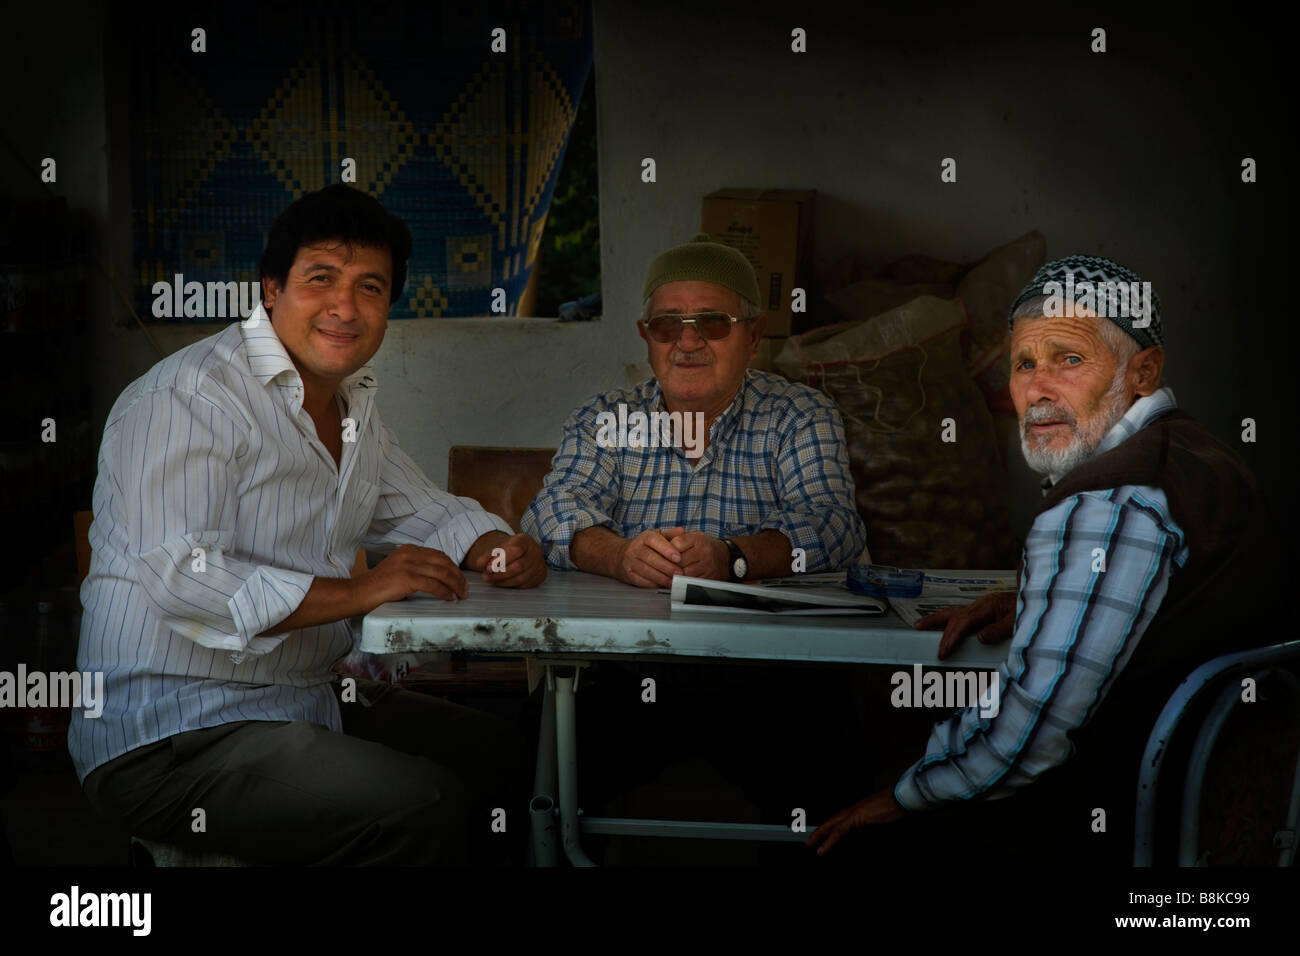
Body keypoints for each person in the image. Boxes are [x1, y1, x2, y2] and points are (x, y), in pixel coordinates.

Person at [70, 184, 547, 865]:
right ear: (271, 289)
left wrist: (495, 545)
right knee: (423, 805)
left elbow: (413, 507)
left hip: (303, 697)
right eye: (320, 278)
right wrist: (360, 591)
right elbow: (186, 578)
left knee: (509, 755)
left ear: (389, 306)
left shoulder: (350, 405)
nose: (345, 307)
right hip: (170, 732)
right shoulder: (189, 396)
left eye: (371, 287)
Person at [808, 255, 1263, 865]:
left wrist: (903, 795)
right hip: (1199, 794)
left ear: (1143, 372)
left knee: (847, 811)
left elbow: (1033, 732)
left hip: (1114, 817)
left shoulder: (1112, 502)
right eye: (1024, 363)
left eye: (1069, 359)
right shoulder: (1196, 454)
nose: (1037, 388)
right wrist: (1030, 600)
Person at [522, 233, 867, 583]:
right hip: (628, 635)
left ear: (753, 336)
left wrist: (733, 556)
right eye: (667, 325)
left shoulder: (798, 415)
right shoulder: (606, 419)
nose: (687, 342)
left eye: (713, 323)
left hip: (760, 637)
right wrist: (619, 556)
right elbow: (550, 512)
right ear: (646, 336)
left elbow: (834, 526)